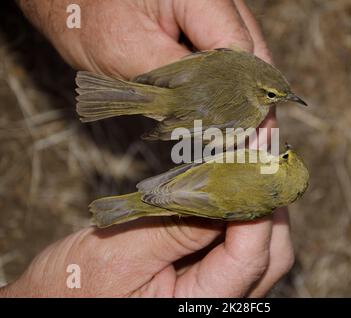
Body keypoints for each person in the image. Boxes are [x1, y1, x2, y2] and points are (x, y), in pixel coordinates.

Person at [0, 0, 294, 297]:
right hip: (176, 111)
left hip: (165, 89)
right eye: (271, 96)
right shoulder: (247, 115)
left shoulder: (236, 59)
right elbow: (196, 127)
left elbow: (194, 67)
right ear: (257, 89)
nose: (274, 102)